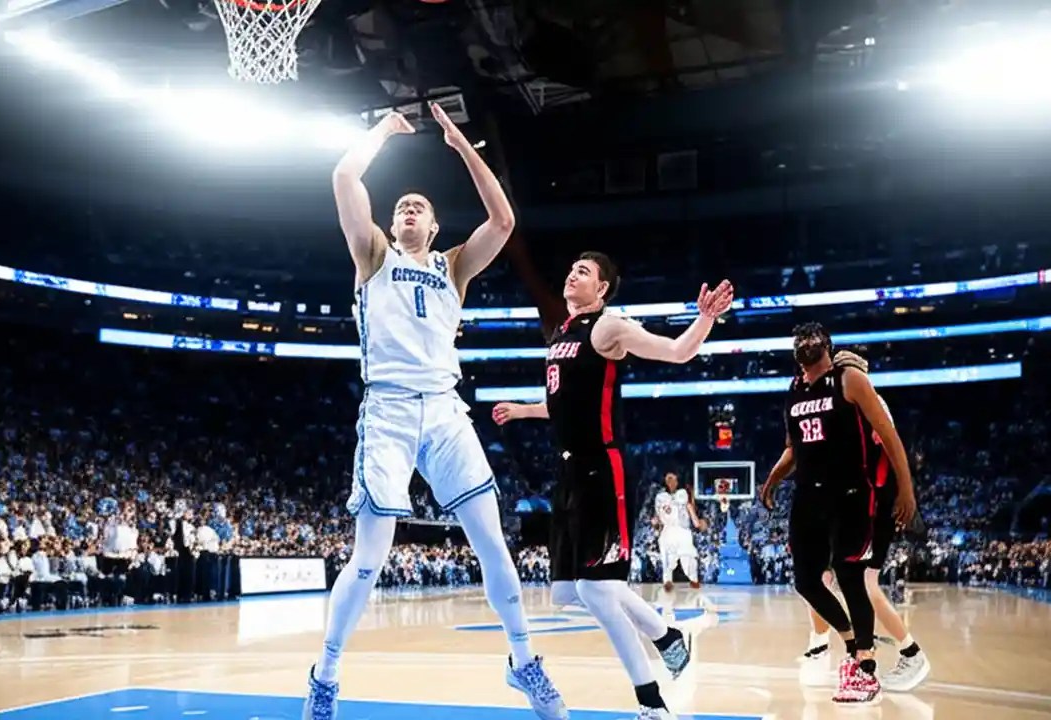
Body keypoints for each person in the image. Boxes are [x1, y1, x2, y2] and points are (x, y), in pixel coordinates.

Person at [304, 105, 565, 720]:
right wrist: (381, 135)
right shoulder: (373, 254)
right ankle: (326, 674)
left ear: (435, 223)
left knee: (495, 545)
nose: (407, 210)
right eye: (400, 208)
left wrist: (460, 145)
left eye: (418, 206)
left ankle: (524, 663)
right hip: (389, 411)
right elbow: (346, 179)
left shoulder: (453, 267)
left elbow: (503, 219)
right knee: (368, 560)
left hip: (446, 412)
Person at [492, 252, 734, 720]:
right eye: (572, 267)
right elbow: (560, 404)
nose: (572, 273)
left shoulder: (609, 328)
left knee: (599, 590)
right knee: (567, 593)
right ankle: (666, 636)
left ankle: (652, 702)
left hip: (602, 470)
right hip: (568, 472)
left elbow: (677, 351)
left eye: (584, 271)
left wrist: (703, 320)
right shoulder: (562, 334)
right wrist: (523, 410)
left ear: (602, 289)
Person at [759, 325, 917, 705]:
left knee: (851, 577)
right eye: (800, 342)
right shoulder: (794, 390)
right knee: (805, 582)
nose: (806, 346)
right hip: (807, 496)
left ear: (828, 348)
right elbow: (793, 448)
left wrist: (906, 488)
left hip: (849, 494)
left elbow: (889, 434)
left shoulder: (850, 380)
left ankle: (865, 667)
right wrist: (772, 480)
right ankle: (850, 641)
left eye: (814, 341)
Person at [790, 351, 931, 692]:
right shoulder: (840, 401)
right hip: (854, 501)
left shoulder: (865, 401)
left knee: (864, 584)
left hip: (875, 503)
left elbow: (890, 452)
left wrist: (902, 497)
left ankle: (911, 653)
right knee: (822, 575)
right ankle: (821, 643)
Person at [653, 472, 706, 600]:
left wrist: (698, 523)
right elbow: (658, 518)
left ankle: (694, 580)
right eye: (668, 479)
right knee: (667, 560)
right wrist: (656, 524)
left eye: (673, 479)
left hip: (682, 531)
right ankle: (667, 583)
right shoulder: (661, 497)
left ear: (677, 481)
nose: (671, 482)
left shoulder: (683, 495)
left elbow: (690, 510)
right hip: (668, 531)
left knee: (688, 557)